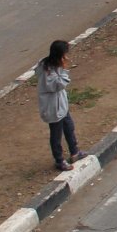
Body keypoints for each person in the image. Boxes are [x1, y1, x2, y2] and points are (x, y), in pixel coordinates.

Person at [37, 40, 88, 172]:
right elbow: (57, 85)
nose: (67, 57)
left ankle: (74, 152)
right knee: (56, 135)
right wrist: (65, 70)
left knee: (69, 127)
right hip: (53, 108)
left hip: (61, 106)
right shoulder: (47, 69)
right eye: (65, 54)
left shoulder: (54, 65)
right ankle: (59, 160)